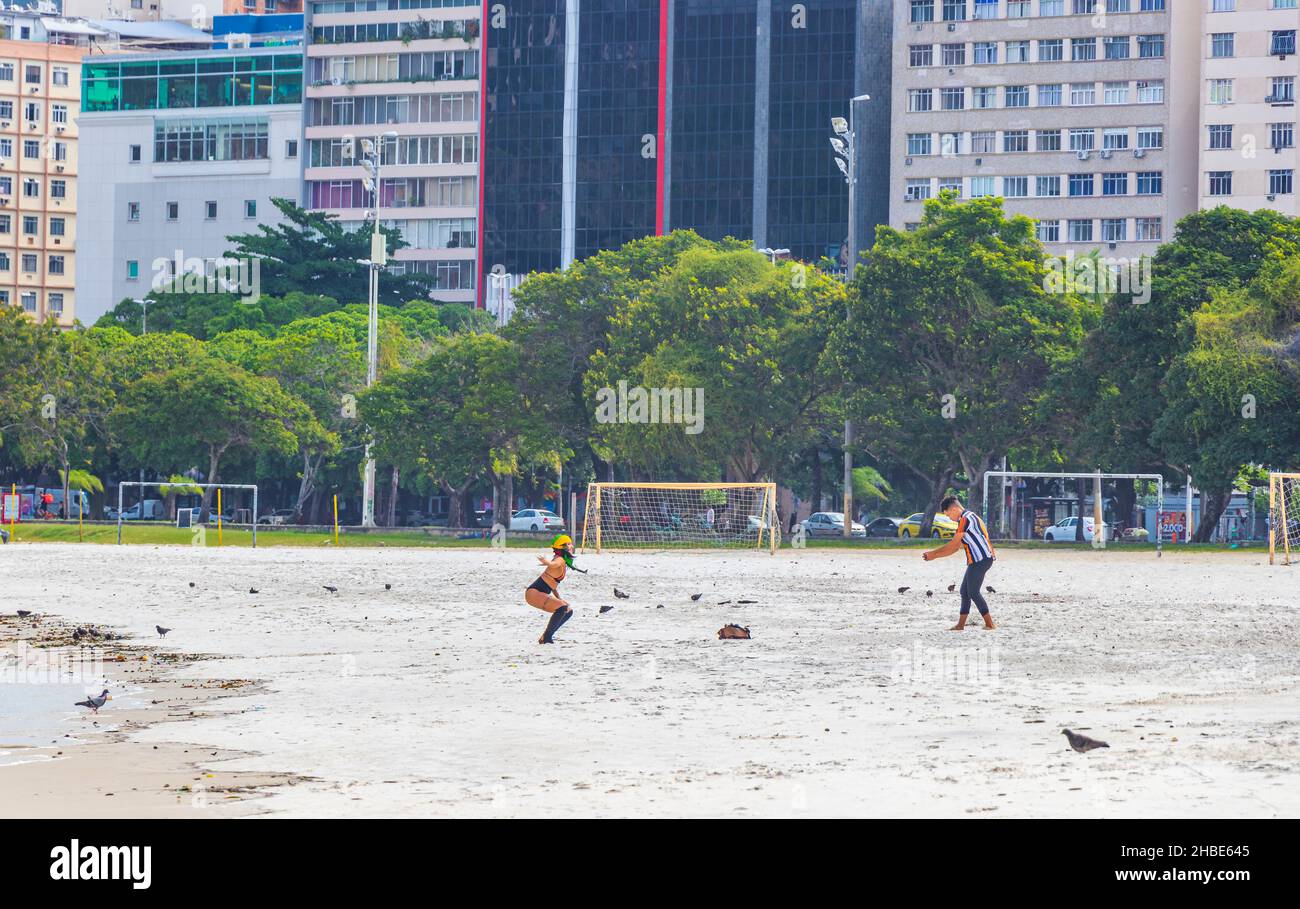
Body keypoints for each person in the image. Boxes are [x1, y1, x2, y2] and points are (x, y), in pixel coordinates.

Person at [922, 496, 996, 631]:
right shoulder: (972, 516)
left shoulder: (964, 520)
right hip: (981, 559)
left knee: (973, 592)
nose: (949, 518)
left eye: (948, 514)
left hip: (981, 559)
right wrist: (935, 555)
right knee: (964, 591)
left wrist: (933, 554)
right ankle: (960, 625)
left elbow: (954, 547)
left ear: (955, 509)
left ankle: (990, 624)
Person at [525, 533, 576, 644]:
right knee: (562, 608)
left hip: (538, 593)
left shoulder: (560, 559)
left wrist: (559, 599)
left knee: (568, 610)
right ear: (563, 547)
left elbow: (552, 585)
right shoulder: (560, 560)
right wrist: (547, 562)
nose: (572, 546)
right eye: (569, 544)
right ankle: (547, 638)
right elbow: (554, 565)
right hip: (534, 593)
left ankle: (546, 636)